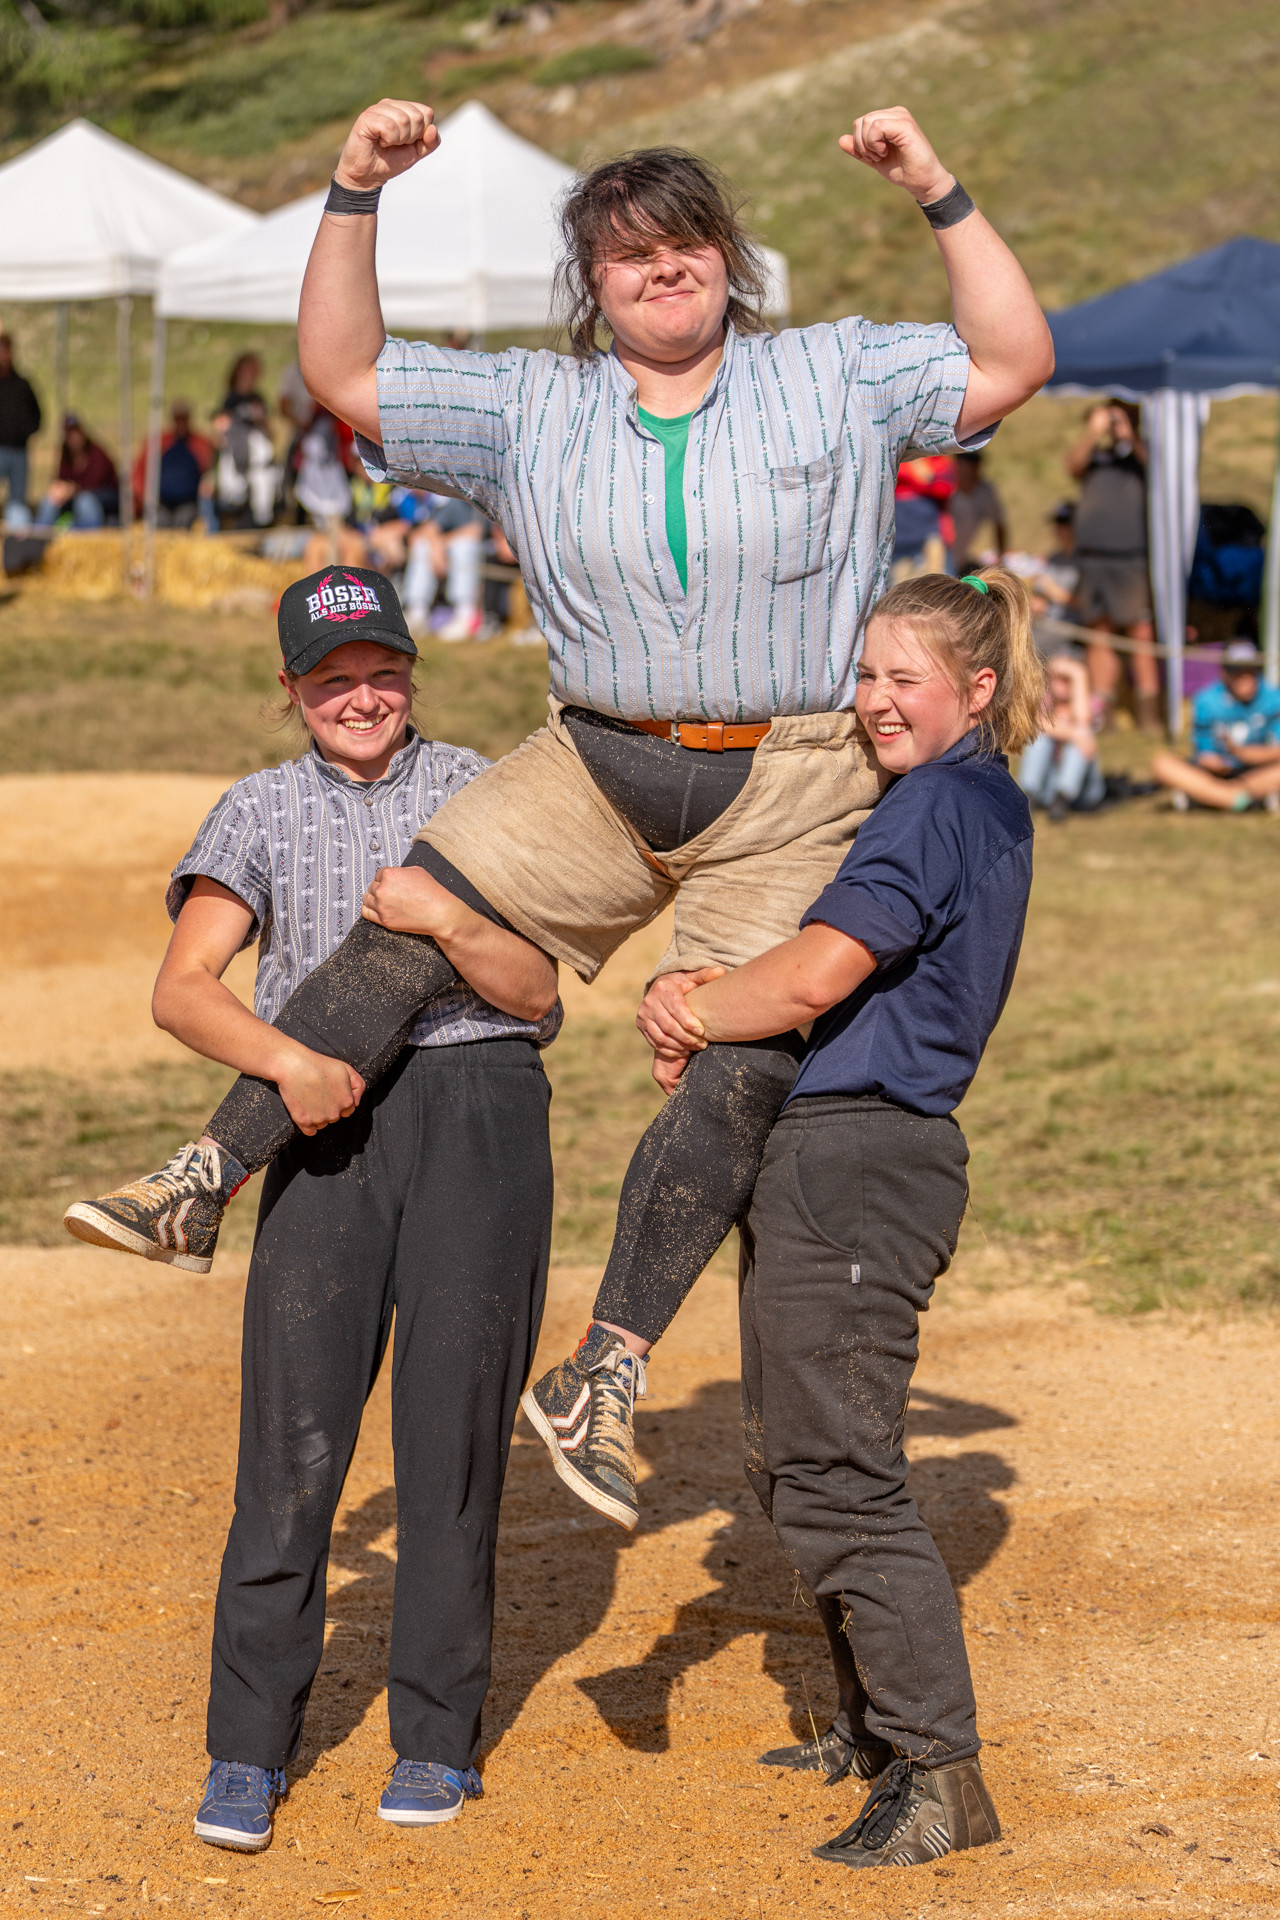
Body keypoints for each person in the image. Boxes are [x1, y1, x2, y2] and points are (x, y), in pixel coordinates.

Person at [65, 97, 1053, 1533]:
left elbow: (1016, 356)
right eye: (630, 255)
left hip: (791, 773)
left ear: (731, 259)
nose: (665, 271)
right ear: (591, 285)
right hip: (599, 756)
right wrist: (353, 186)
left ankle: (603, 1370)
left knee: (741, 1042)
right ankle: (207, 1174)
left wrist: (936, 183)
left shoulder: (835, 373)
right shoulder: (539, 399)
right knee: (410, 914)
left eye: (690, 243)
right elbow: (342, 371)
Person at [69, 567, 560, 1850]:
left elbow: (536, 991)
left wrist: (447, 918)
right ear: (290, 689)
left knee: (450, 1445)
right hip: (323, 1127)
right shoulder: (258, 808)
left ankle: (435, 1739)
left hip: (478, 1112)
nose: (361, 697)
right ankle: (247, 1750)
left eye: (380, 671)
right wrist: (286, 1064)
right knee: (289, 1450)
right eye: (331, 678)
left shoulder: (480, 788)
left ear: (411, 671)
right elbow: (185, 989)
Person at [633, 568, 1038, 1871]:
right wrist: (714, 986)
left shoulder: (935, 802)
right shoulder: (954, 796)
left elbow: (822, 968)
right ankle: (871, 1728)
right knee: (794, 1455)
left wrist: (693, 1005)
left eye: (901, 679)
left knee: (842, 1468)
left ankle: (939, 1775)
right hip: (838, 1151)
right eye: (864, 678)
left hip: (867, 1156)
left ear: (975, 689)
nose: (873, 702)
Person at [1066, 400, 1158, 730]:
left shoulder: (1140, 455)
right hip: (1093, 557)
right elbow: (1072, 466)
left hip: (1129, 557)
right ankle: (1102, 705)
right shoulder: (1094, 457)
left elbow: (1157, 468)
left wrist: (1129, 436)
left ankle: (1148, 709)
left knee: (1139, 631)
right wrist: (1093, 433)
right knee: (1099, 631)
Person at [1150, 638, 1280, 812]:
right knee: (1162, 764)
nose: (1245, 678)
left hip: (1256, 771)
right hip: (1217, 774)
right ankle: (1244, 800)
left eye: (1249, 671)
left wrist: (1241, 753)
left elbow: (1276, 751)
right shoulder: (1206, 700)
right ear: (1224, 673)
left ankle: (1211, 798)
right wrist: (1211, 762)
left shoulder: (1274, 697)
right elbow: (1204, 752)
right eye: (1237, 672)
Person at [1017, 650, 1103, 819]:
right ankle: (1028, 795)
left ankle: (1063, 798)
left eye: (1067, 679)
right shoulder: (1044, 703)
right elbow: (1036, 724)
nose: (1062, 685)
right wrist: (1073, 734)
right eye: (1057, 678)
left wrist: (1078, 674)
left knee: (1081, 735)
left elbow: (1083, 723)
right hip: (1049, 784)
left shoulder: (1091, 703)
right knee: (1040, 737)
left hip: (1085, 790)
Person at [131, 400, 214, 527]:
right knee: (160, 522)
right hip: (162, 501)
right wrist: (145, 497)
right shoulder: (159, 442)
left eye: (184, 418)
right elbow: (140, 471)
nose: (181, 423)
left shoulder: (199, 443)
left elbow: (209, 471)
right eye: (178, 418)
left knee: (183, 521)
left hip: (188, 502)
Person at [34, 415, 119, 528]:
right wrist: (59, 489)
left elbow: (95, 482)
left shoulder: (97, 453)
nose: (74, 437)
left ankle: (89, 534)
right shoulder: (66, 454)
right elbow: (61, 477)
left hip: (103, 496)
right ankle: (40, 534)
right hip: (74, 496)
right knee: (50, 500)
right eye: (70, 434)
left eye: (76, 432)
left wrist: (72, 489)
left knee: (85, 500)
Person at [0, 332, 42, 524]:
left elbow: (38, 415)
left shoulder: (22, 384)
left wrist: (25, 431)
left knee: (17, 503)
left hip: (19, 452)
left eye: (6, 349)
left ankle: (16, 544)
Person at [891, 453, 954, 578]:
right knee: (900, 585)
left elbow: (944, 488)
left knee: (935, 581)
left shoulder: (938, 460)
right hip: (900, 538)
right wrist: (919, 475)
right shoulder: (895, 457)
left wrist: (922, 474)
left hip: (929, 535)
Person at [948, 448, 1006, 572]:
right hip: (939, 556)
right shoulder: (945, 489)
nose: (971, 469)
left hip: (959, 559)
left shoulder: (984, 492)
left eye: (975, 464)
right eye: (968, 463)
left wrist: (1000, 559)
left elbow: (999, 523)